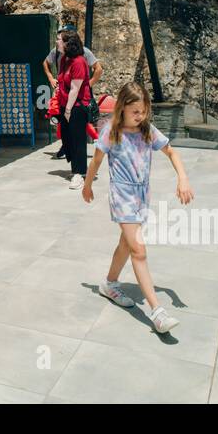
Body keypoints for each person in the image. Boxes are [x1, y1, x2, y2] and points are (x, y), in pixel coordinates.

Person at [80, 82, 194, 334]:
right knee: (138, 250)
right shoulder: (111, 131)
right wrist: (87, 186)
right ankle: (158, 312)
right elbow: (96, 161)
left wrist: (183, 178)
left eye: (143, 111)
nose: (140, 116)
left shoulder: (147, 130)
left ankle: (109, 285)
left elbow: (172, 153)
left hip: (142, 195)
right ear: (122, 108)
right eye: (135, 112)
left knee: (126, 244)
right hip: (122, 195)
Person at [43, 24, 102, 160]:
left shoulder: (84, 52)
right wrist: (51, 78)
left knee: (80, 121)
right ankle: (67, 146)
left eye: (61, 37)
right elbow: (45, 63)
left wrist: (87, 84)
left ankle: (83, 148)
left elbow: (98, 69)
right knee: (63, 122)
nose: (58, 40)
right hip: (63, 92)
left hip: (78, 93)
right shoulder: (57, 51)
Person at [58, 34, 92, 189]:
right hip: (65, 105)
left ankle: (80, 174)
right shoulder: (64, 60)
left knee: (78, 140)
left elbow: (75, 88)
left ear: (68, 43)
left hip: (76, 106)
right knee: (67, 139)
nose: (57, 42)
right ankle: (75, 169)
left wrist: (68, 110)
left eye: (59, 40)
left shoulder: (79, 62)